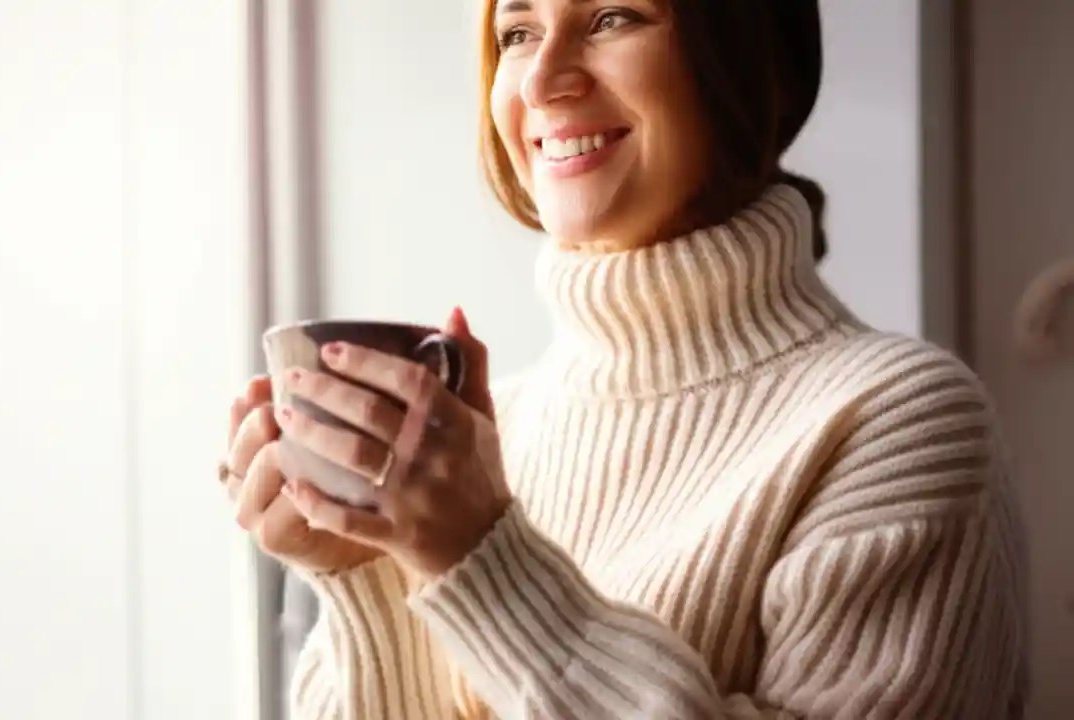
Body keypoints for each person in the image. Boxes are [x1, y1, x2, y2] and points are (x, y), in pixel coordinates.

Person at [220, 0, 1029, 717]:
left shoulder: (897, 421)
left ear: (754, 61)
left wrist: (480, 557)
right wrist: (366, 573)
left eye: (612, 18)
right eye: (518, 31)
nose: (541, 81)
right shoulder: (496, 438)